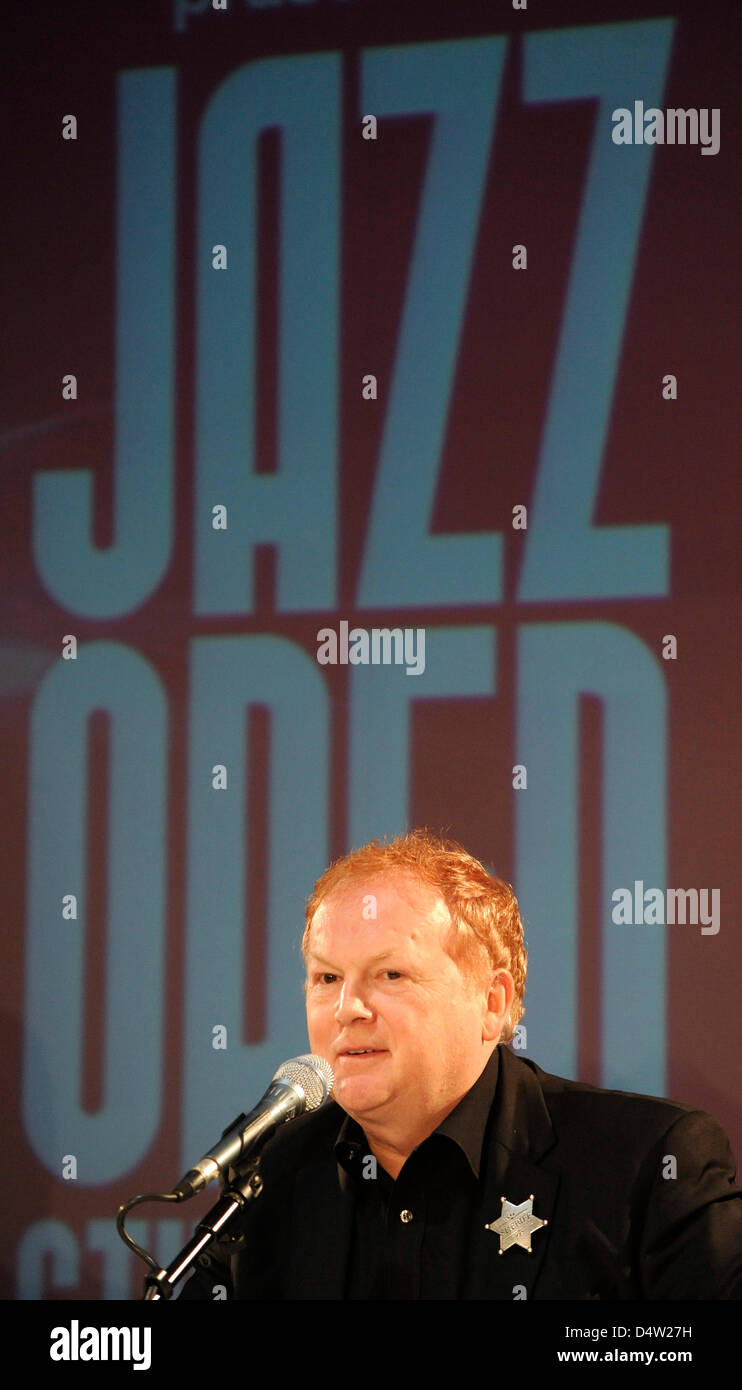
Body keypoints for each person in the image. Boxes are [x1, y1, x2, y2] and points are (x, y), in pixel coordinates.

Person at [180, 830, 742, 1299]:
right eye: (327, 979)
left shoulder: (648, 1166)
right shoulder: (269, 1174)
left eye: (391, 975)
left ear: (492, 1002)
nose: (347, 1008)